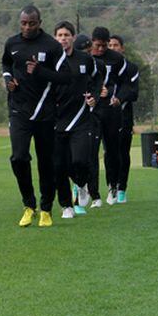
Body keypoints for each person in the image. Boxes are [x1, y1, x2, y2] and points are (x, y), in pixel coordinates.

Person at [2, 5, 68, 227]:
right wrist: (8, 80)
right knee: (18, 157)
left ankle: (46, 209)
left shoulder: (51, 46)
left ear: (40, 22)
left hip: (45, 112)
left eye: (31, 23)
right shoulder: (12, 43)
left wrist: (41, 71)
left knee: (46, 162)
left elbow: (65, 77)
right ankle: (28, 205)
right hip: (19, 110)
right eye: (23, 23)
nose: (27, 27)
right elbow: (6, 64)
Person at [51, 22, 99, 219]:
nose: (63, 38)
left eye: (66, 35)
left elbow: (97, 78)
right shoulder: (49, 62)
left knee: (80, 159)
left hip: (80, 119)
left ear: (73, 37)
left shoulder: (85, 59)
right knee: (60, 166)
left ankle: (81, 185)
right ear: (55, 38)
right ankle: (66, 206)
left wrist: (94, 95)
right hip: (56, 120)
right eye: (60, 35)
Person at [87, 27, 135, 206]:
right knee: (91, 151)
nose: (100, 49)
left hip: (110, 111)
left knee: (112, 151)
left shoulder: (116, 59)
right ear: (92, 42)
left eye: (104, 46)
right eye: (97, 45)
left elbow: (127, 85)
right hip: (90, 111)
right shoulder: (86, 57)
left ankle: (113, 186)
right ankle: (93, 193)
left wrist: (115, 95)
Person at [107, 34, 139, 204]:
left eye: (115, 45)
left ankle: (122, 188)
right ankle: (111, 186)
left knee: (122, 153)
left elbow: (134, 92)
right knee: (109, 152)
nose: (112, 48)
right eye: (109, 45)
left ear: (122, 48)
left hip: (124, 116)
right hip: (105, 117)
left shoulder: (131, 68)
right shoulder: (103, 67)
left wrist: (120, 99)